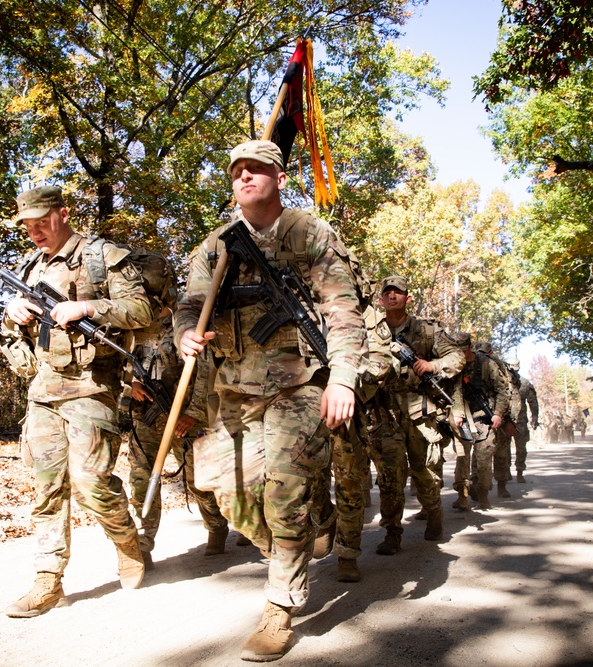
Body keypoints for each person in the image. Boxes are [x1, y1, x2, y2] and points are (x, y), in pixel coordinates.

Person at [175, 139, 365, 662]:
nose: (244, 177)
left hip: (299, 385)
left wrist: (343, 378)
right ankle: (308, 528)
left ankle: (279, 605)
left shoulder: (309, 233)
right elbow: (188, 306)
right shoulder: (216, 245)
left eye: (256, 169)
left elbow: (343, 311)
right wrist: (185, 335)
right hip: (234, 387)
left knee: (283, 496)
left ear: (280, 177)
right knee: (221, 487)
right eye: (236, 170)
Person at [0, 185, 152, 618]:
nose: (34, 232)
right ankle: (48, 582)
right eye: (26, 225)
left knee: (91, 484)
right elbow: (13, 331)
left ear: (63, 214)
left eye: (41, 222)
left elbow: (141, 309)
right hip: (43, 390)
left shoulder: (104, 256)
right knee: (47, 488)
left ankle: (126, 541)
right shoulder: (29, 267)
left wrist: (86, 307)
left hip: (92, 387)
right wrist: (13, 312)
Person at [366, 275, 464, 556]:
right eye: (387, 293)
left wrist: (432, 365)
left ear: (408, 298)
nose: (392, 296)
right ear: (381, 299)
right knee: (389, 477)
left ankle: (434, 512)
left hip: (421, 413)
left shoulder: (427, 330)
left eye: (398, 292)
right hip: (385, 415)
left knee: (425, 473)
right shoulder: (372, 332)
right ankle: (392, 533)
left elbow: (456, 358)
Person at [127, 314, 229, 564]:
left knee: (199, 481)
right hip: (147, 418)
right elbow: (114, 363)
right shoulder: (128, 321)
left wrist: (194, 413)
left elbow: (206, 370)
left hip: (184, 416)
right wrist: (128, 384)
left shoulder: (183, 321)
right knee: (141, 478)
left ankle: (216, 525)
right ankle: (142, 544)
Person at [451, 337, 511, 510]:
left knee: (484, 459)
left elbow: (502, 390)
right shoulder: (455, 364)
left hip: (483, 418)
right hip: (461, 417)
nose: (460, 353)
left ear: (470, 347)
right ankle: (462, 497)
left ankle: (483, 494)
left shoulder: (486, 364)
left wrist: (498, 414)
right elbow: (453, 390)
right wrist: (457, 412)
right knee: (462, 458)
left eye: (464, 349)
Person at [505, 358, 539, 484]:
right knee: (504, 448)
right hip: (506, 420)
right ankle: (506, 471)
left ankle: (520, 471)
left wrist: (534, 416)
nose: (514, 368)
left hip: (521, 420)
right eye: (512, 366)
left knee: (521, 448)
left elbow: (533, 402)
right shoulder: (502, 381)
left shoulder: (525, 383)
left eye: (516, 366)